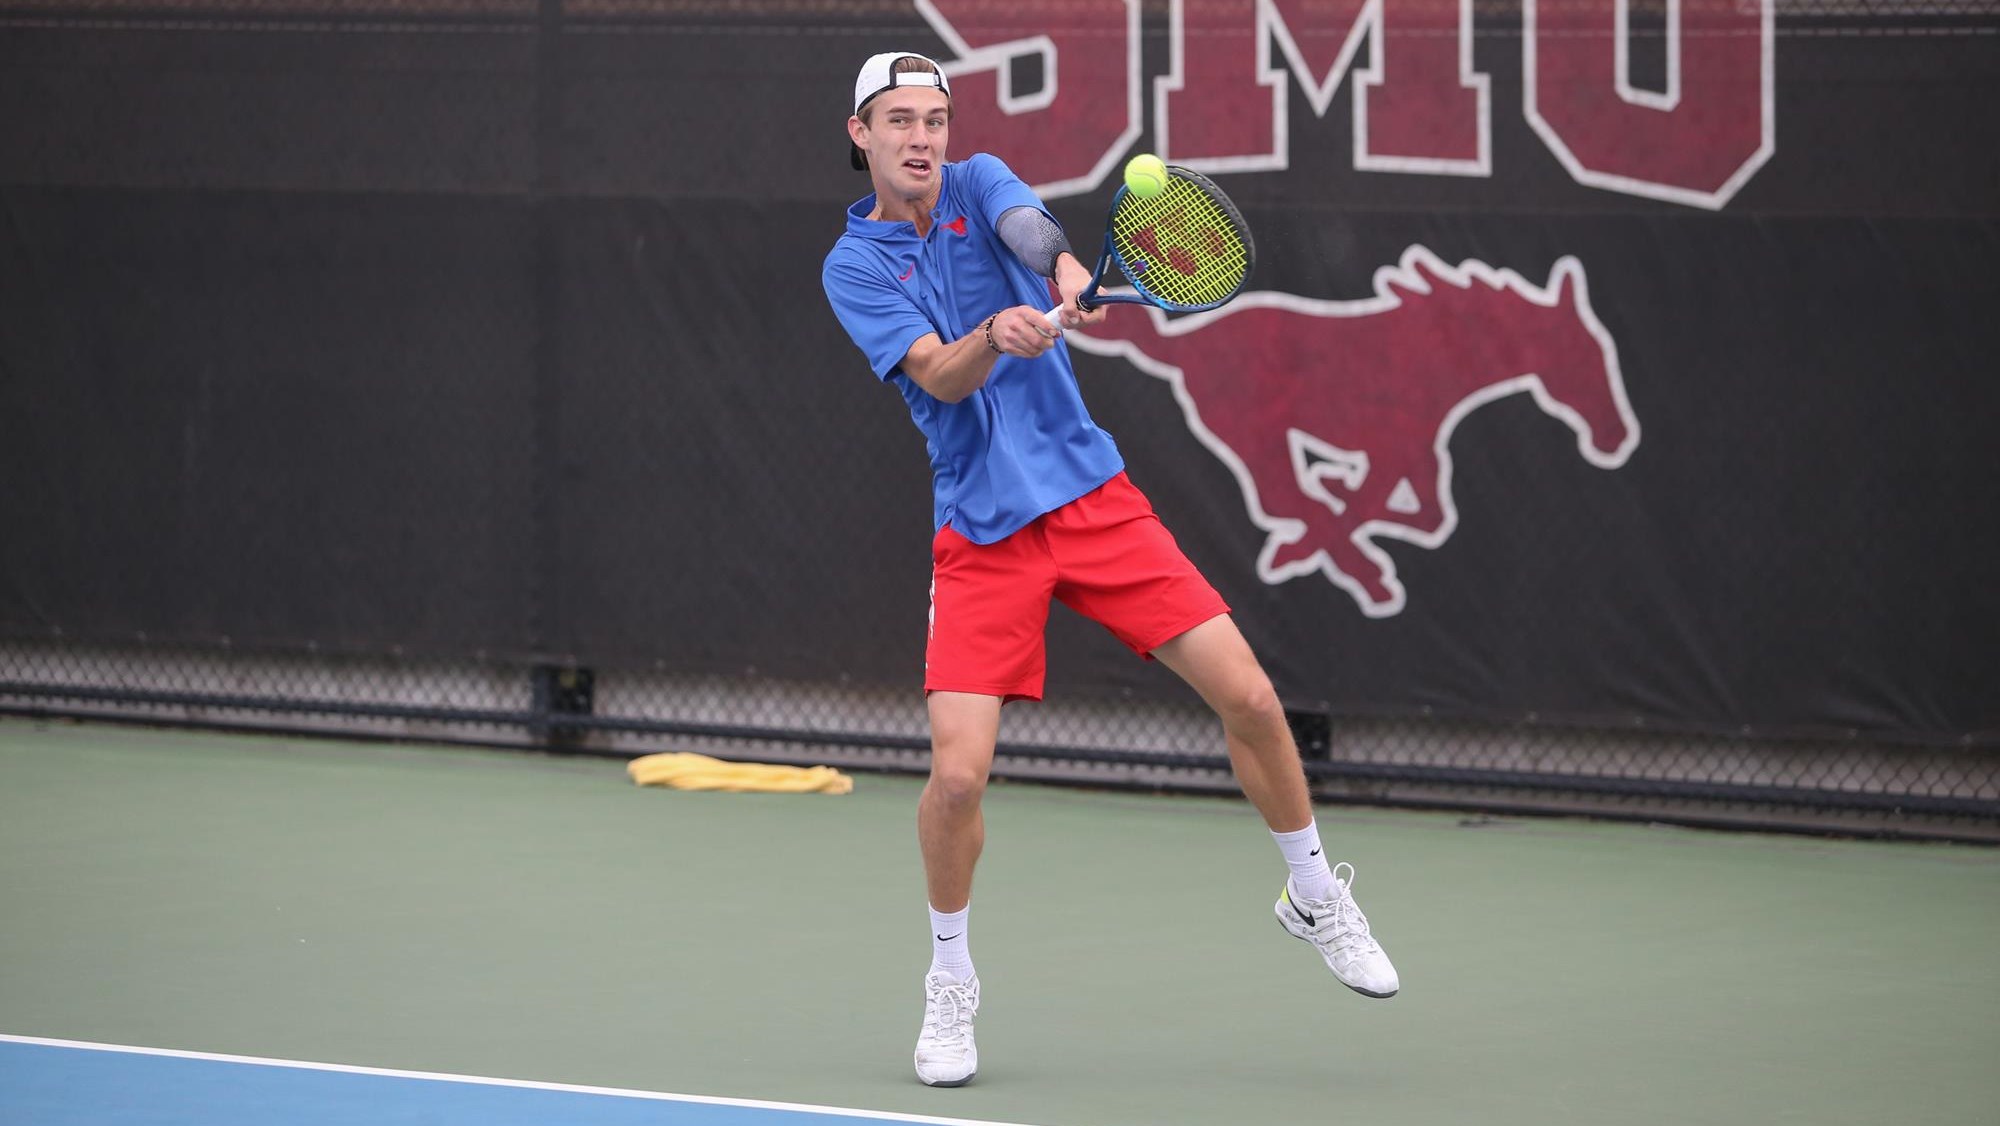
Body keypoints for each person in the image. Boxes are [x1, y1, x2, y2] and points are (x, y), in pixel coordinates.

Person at [821, 51, 1399, 1089]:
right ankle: (949, 979)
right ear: (859, 133)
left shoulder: (980, 178)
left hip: (1092, 501)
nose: (922, 137)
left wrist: (1067, 276)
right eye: (898, 120)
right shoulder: (852, 267)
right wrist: (994, 335)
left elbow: (1030, 232)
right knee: (956, 776)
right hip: (982, 532)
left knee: (1252, 698)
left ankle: (1312, 892)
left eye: (935, 119)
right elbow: (938, 377)